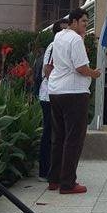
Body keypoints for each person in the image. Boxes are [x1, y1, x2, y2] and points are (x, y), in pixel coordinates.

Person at [47, 9, 101, 194]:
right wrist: (94, 73)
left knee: (59, 136)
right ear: (75, 21)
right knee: (74, 138)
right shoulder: (76, 39)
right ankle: (68, 182)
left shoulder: (59, 36)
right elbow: (80, 67)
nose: (86, 24)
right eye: (84, 21)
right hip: (74, 92)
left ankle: (54, 179)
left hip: (55, 91)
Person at [36, 20, 62, 179]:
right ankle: (45, 170)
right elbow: (48, 69)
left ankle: (51, 169)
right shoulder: (55, 46)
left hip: (53, 93)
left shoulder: (58, 46)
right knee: (49, 132)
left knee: (53, 131)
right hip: (49, 95)